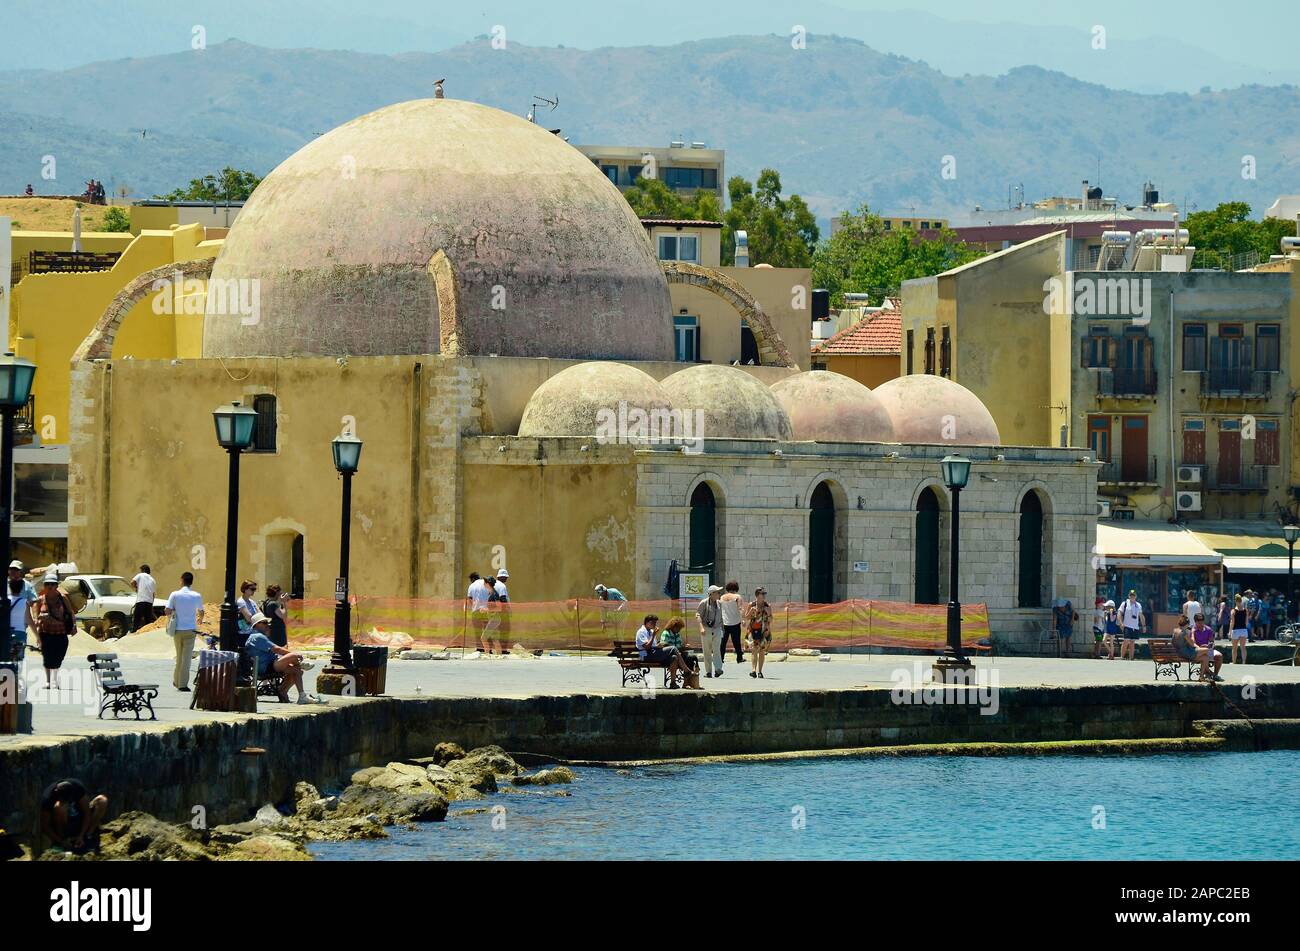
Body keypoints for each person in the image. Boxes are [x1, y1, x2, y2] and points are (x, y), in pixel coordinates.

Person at [244, 622, 322, 704]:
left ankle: (299, 695)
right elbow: (276, 649)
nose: (268, 625)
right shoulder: (257, 636)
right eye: (264, 623)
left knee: (297, 671)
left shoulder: (256, 636)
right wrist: (294, 655)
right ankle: (300, 663)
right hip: (266, 667)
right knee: (293, 656)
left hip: (269, 664)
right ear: (256, 625)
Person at [40, 779, 108, 855]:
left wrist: (81, 835)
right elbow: (45, 825)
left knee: (102, 800)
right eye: (65, 800)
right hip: (62, 823)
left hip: (79, 817)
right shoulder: (48, 798)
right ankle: (65, 839)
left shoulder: (77, 787)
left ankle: (89, 835)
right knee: (59, 807)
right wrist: (60, 841)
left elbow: (87, 813)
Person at [35, 572, 76, 691]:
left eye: (52, 584)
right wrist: (42, 618)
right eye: (47, 584)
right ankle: (48, 681)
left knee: (58, 657)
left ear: (56, 585)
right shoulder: (40, 600)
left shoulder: (62, 598)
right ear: (44, 586)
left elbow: (71, 613)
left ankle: (55, 679)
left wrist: (74, 626)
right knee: (47, 657)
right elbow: (36, 618)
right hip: (45, 632)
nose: (50, 587)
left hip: (61, 633)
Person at [164, 572, 204, 692]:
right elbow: (201, 611)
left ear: (181, 580)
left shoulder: (175, 594)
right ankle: (182, 684)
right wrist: (200, 619)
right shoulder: (196, 595)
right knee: (186, 658)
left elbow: (167, 610)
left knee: (179, 656)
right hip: (190, 629)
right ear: (192, 581)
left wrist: (174, 612)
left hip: (177, 629)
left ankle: (176, 680)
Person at [635, 614, 688, 688]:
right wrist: (653, 635)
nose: (655, 625)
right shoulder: (641, 632)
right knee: (673, 648)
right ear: (647, 622)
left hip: (653, 653)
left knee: (674, 657)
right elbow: (647, 647)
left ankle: (673, 683)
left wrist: (658, 645)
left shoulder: (651, 631)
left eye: (655, 623)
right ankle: (686, 670)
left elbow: (653, 646)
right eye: (653, 623)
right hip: (646, 655)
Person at [5, 560, 36, 663]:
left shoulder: (27, 585)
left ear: (20, 571)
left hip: (20, 626)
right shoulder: (3, 584)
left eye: (16, 570)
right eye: (11, 569)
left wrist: (35, 617)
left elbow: (33, 602)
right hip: (4, 626)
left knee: (17, 658)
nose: (13, 571)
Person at [696, 585, 725, 678]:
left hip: (717, 629)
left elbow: (721, 617)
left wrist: (722, 629)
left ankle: (718, 669)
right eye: (717, 592)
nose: (719, 594)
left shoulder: (720, 603)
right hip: (706, 629)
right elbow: (698, 615)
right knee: (707, 650)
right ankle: (708, 671)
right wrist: (701, 627)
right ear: (711, 594)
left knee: (716, 649)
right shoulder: (704, 603)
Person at [1188, 612, 1224, 681]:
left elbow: (1212, 642)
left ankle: (1215, 675)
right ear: (1195, 622)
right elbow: (1192, 643)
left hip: (1207, 649)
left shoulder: (1208, 629)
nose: (1200, 623)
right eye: (1198, 622)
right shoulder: (1191, 629)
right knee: (1205, 656)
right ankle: (1209, 673)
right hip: (1196, 651)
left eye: (1202, 621)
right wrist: (1200, 646)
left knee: (1219, 655)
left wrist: (1209, 645)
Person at [746, 586, 773, 678]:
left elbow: (771, 619)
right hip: (753, 630)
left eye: (765, 594)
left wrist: (769, 613)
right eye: (763, 594)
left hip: (764, 631)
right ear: (757, 595)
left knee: (761, 651)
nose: (765, 595)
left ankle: (760, 672)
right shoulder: (752, 605)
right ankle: (753, 670)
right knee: (754, 650)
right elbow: (746, 617)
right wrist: (751, 612)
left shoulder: (767, 605)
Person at [719, 580, 745, 664]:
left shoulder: (722, 597)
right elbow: (740, 608)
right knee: (736, 641)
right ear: (736, 588)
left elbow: (720, 609)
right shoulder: (737, 597)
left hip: (724, 622)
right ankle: (739, 658)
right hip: (735, 622)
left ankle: (721, 658)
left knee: (723, 642)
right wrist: (743, 619)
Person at [129, 564, 157, 632]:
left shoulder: (140, 575)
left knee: (137, 619)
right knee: (148, 621)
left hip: (141, 601)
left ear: (143, 570)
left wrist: (136, 588)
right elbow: (153, 594)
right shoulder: (153, 580)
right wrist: (151, 605)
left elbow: (132, 582)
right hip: (149, 603)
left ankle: (134, 632)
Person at [1118, 590, 1145, 660]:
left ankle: (1131, 658)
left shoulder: (1138, 605)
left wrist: (1143, 625)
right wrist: (1120, 623)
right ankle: (1122, 657)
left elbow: (1141, 616)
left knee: (1132, 642)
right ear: (1129, 596)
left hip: (1135, 627)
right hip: (1127, 625)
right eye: (1131, 595)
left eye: (1133, 595)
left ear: (1136, 596)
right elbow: (1119, 613)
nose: (1132, 596)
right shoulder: (1125, 603)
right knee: (1126, 641)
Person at [492, 569, 511, 655]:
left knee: (493, 631)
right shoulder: (502, 586)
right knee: (505, 630)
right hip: (501, 612)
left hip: (492, 612)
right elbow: (503, 599)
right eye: (505, 577)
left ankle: (490, 649)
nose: (506, 579)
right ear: (501, 577)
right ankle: (503, 649)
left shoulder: (492, 585)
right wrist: (507, 610)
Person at [1229, 593, 1249, 665]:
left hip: (1236, 630)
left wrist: (1230, 632)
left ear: (1235, 601)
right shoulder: (1245, 610)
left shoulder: (1233, 611)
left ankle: (1234, 662)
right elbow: (1246, 622)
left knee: (1234, 648)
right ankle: (1244, 662)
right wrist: (1244, 628)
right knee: (1243, 647)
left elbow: (1232, 622)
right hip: (1243, 630)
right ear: (1241, 601)